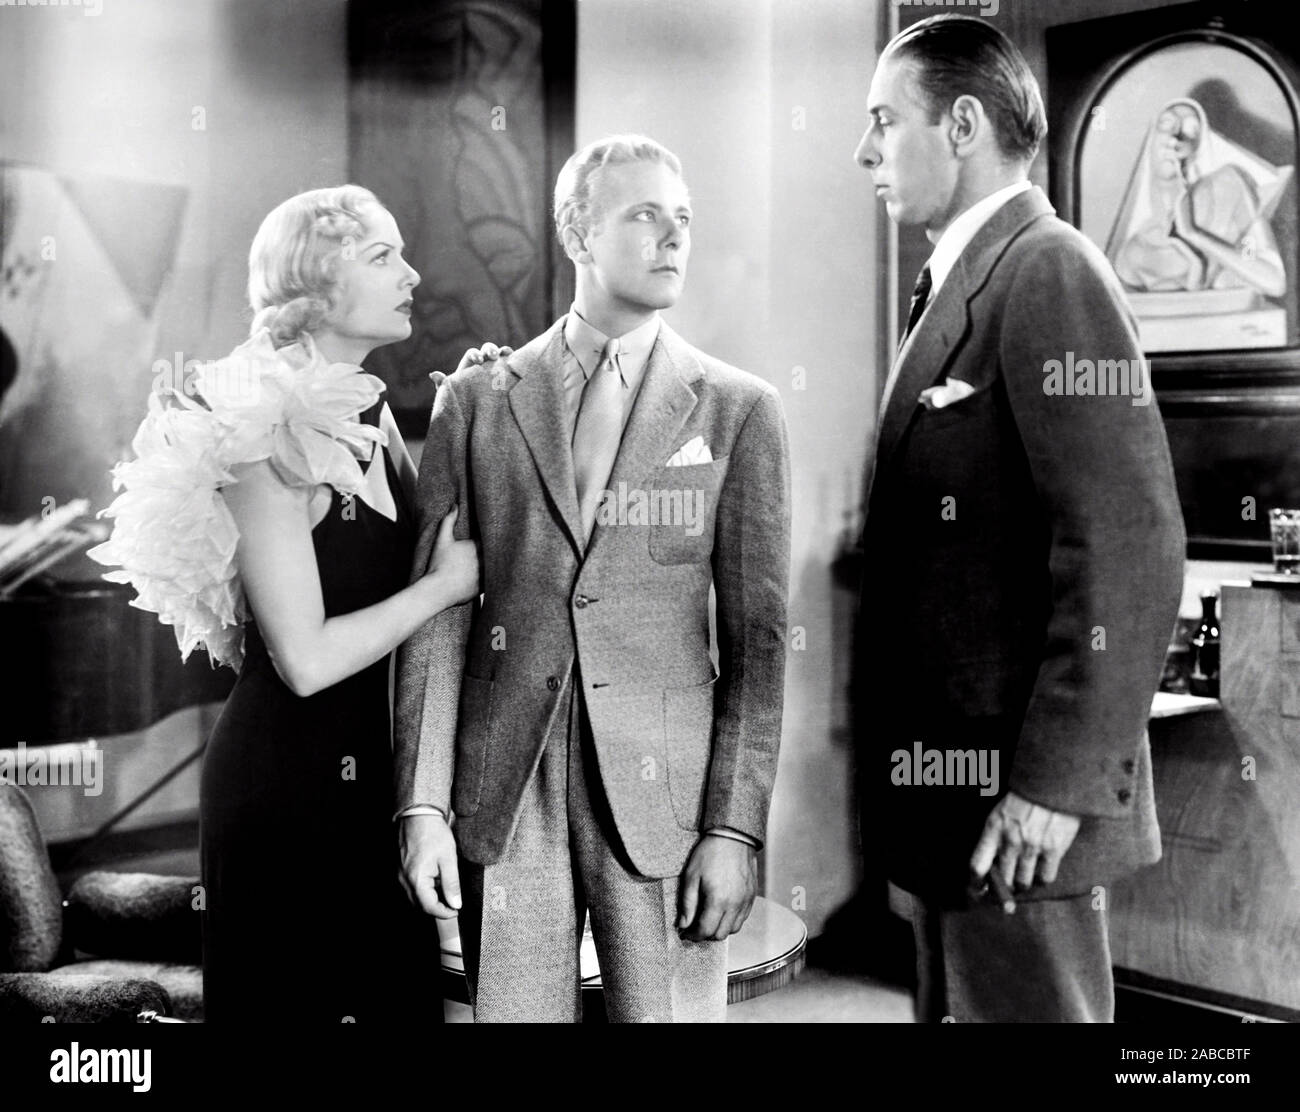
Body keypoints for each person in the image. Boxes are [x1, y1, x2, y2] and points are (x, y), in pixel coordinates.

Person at [393, 135, 791, 1022]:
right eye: (644, 215)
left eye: (682, 217)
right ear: (577, 231)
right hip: (507, 781)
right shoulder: (478, 400)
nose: (672, 237)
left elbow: (759, 646)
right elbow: (442, 621)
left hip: (667, 794)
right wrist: (420, 804)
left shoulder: (739, 411)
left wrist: (733, 825)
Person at [851, 16, 1185, 1022]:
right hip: (949, 802)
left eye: (881, 122)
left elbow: (1128, 540)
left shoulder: (1047, 269)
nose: (864, 152)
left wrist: (1051, 782)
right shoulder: (957, 280)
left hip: (1014, 806)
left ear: (961, 123)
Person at [90, 185, 480, 1022]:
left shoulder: (372, 409)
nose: (412, 274)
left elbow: (413, 553)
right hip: (285, 789)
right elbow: (303, 661)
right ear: (317, 285)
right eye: (383, 257)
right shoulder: (257, 431)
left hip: (378, 778)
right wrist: (443, 589)